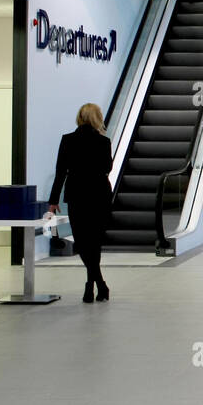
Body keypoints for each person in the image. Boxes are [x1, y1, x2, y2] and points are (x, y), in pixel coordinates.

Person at [49, 103, 114, 303]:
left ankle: (92, 285)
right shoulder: (103, 141)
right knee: (94, 241)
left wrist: (53, 200)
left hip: (77, 195)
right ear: (97, 118)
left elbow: (61, 171)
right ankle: (98, 283)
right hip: (99, 195)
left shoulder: (67, 140)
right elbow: (107, 168)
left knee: (83, 241)